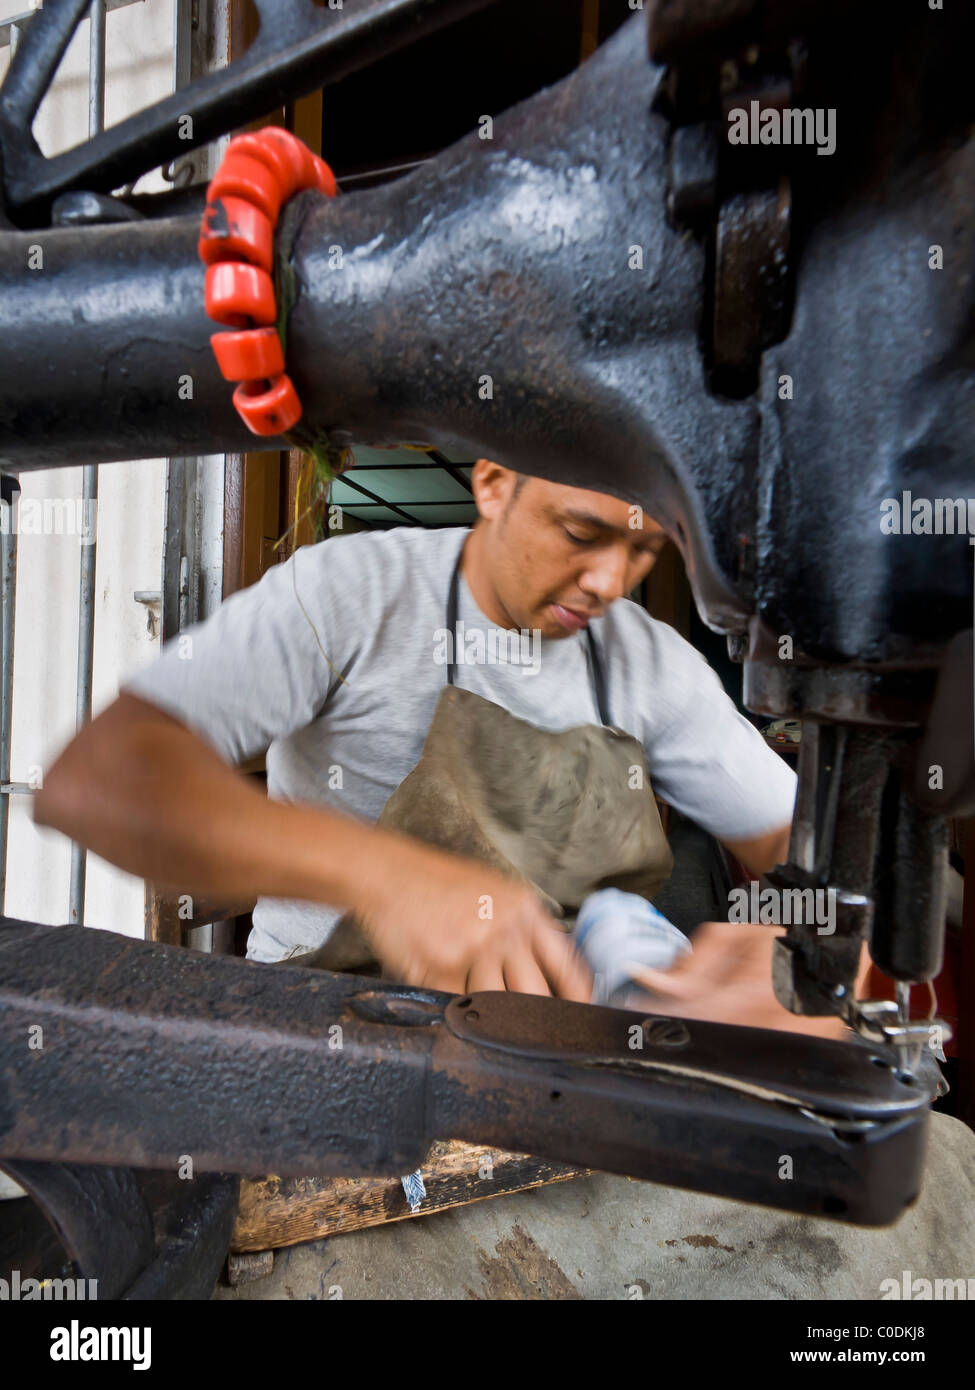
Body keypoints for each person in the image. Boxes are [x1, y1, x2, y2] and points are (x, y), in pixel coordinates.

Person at [35, 460, 833, 1032]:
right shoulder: (351, 594)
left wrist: (800, 956)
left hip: (551, 1031)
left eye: (644, 550)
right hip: (320, 1019)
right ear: (492, 483)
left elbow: (805, 851)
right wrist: (389, 881)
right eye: (580, 532)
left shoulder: (648, 663)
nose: (608, 582)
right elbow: (101, 778)